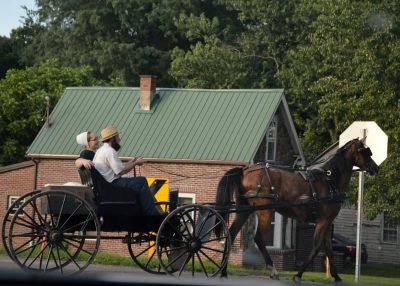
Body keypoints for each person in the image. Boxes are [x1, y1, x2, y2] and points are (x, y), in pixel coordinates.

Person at [93, 127, 161, 216]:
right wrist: (136, 163)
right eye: (117, 137)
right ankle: (152, 214)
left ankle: (144, 210)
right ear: (112, 139)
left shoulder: (100, 151)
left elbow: (120, 167)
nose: (119, 139)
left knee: (137, 181)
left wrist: (133, 161)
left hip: (106, 184)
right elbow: (121, 171)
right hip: (113, 184)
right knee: (141, 181)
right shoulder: (110, 151)